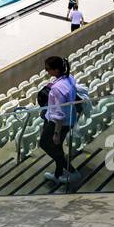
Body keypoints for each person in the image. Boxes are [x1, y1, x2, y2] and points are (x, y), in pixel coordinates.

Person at [38, 55, 88, 183]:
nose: (46, 71)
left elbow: (58, 114)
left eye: (47, 69)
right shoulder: (69, 78)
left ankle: (72, 172)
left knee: (45, 144)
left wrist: (56, 133)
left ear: (55, 70)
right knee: (57, 147)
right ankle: (58, 175)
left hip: (58, 123)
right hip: (69, 119)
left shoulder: (56, 89)